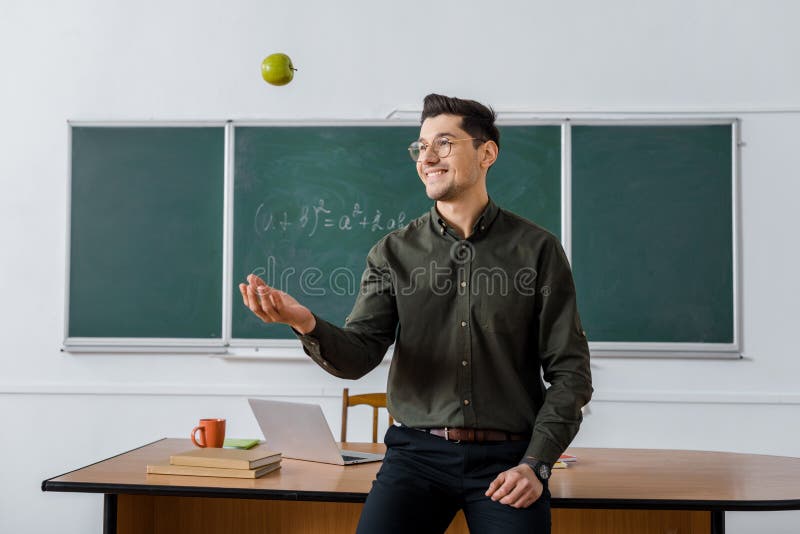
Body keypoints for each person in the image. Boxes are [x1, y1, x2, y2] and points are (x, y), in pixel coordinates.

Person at [239, 93, 593, 534]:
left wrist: (536, 464)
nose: (427, 156)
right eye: (420, 147)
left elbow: (571, 373)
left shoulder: (538, 250)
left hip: (509, 461)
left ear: (487, 153)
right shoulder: (393, 252)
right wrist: (304, 322)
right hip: (416, 460)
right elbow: (359, 354)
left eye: (443, 143)